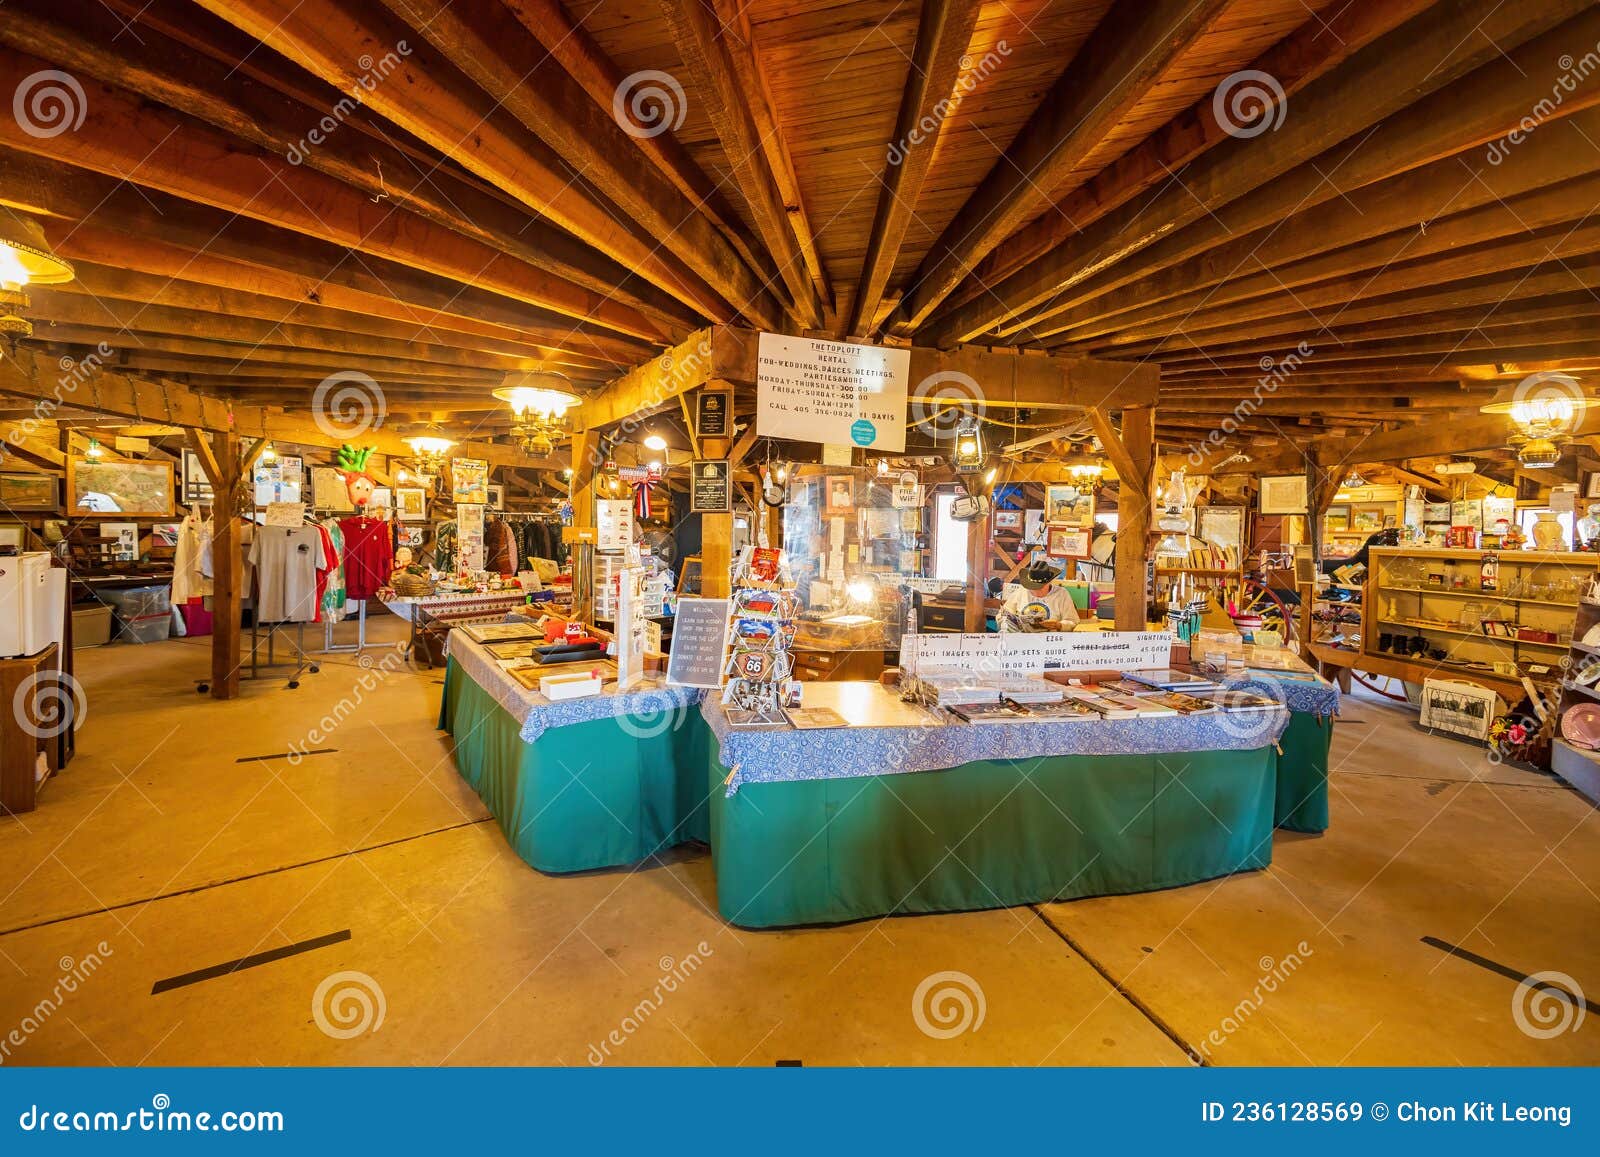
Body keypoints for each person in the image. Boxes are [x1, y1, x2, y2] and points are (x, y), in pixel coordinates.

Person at [998, 559, 1082, 632]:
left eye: (1040, 587)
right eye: (1032, 587)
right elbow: (1003, 615)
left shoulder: (1061, 594)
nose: (1036, 590)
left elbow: (1073, 621)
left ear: (1049, 582)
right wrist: (1008, 624)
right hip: (1023, 641)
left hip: (1052, 643)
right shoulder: (1021, 592)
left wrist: (1058, 625)